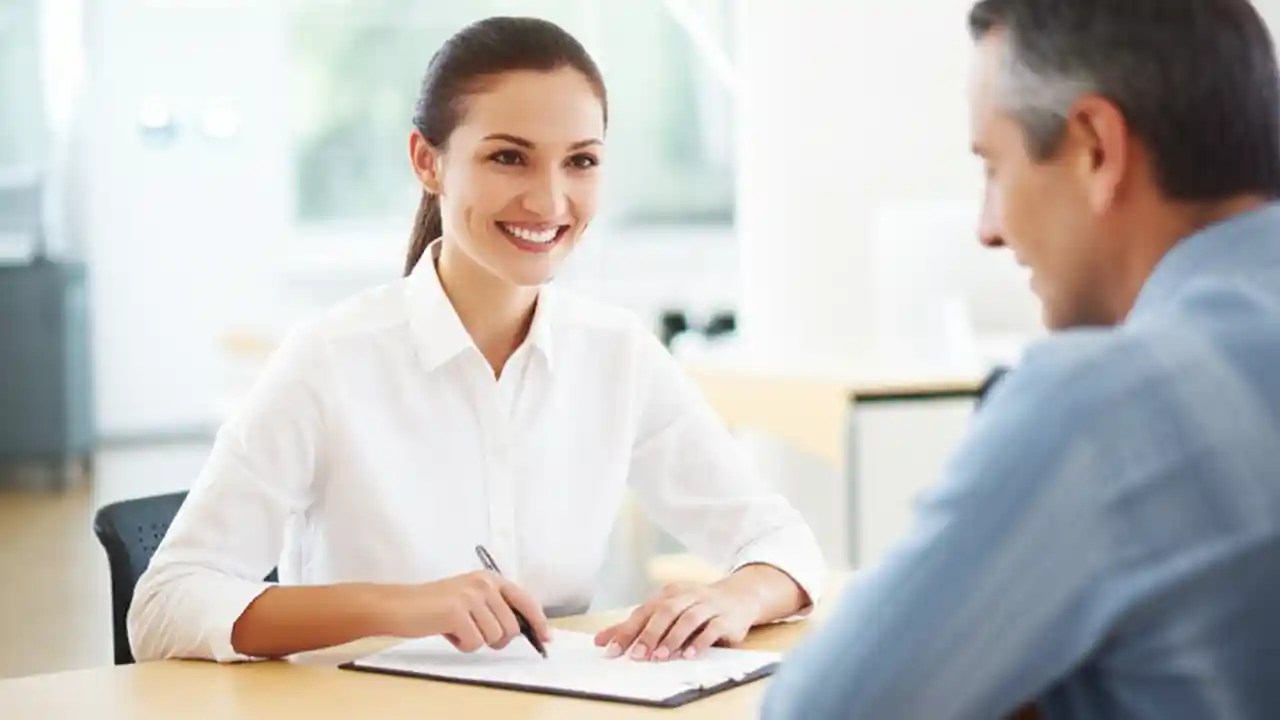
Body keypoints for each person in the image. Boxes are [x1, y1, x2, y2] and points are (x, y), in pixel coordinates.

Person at [128, 16, 824, 664]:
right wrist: (407, 607)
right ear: (427, 163)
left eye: (580, 162)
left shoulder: (619, 354)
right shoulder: (331, 360)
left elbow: (784, 542)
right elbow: (165, 605)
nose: (550, 202)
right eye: (509, 159)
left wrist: (735, 597)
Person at [763, 0, 1280, 717]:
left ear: (1097, 147)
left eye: (993, 167)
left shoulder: (1102, 405)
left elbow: (821, 712)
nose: (987, 229)